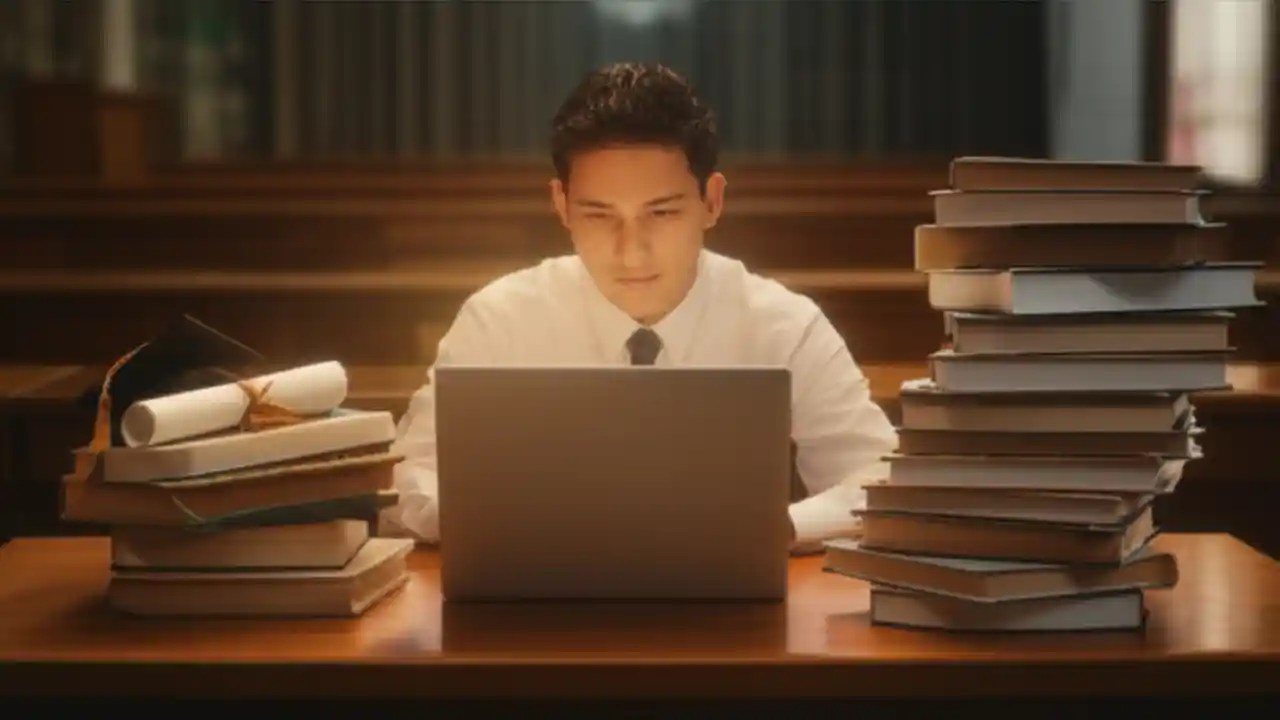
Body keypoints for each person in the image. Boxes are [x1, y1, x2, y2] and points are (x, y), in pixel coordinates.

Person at [379, 62, 898, 554]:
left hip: (731, 617)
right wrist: (510, 527)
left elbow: (881, 478)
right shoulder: (499, 320)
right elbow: (409, 476)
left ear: (711, 202)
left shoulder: (783, 325)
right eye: (600, 215)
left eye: (663, 213)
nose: (632, 252)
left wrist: (777, 528)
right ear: (561, 205)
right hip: (536, 610)